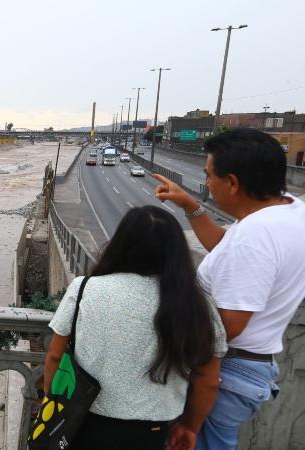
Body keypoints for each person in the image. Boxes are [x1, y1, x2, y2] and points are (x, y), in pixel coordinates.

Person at [154, 128, 305, 449]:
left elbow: (228, 328)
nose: (206, 182)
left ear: (233, 182)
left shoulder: (256, 236)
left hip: (227, 373)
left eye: (209, 176)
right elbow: (228, 249)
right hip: (250, 367)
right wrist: (191, 207)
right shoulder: (289, 211)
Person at [43, 205, 227, 450]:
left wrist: (51, 401)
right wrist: (190, 426)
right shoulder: (195, 304)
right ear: (177, 253)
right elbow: (208, 380)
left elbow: (55, 355)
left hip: (84, 422)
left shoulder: (84, 288)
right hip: (153, 430)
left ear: (120, 245)